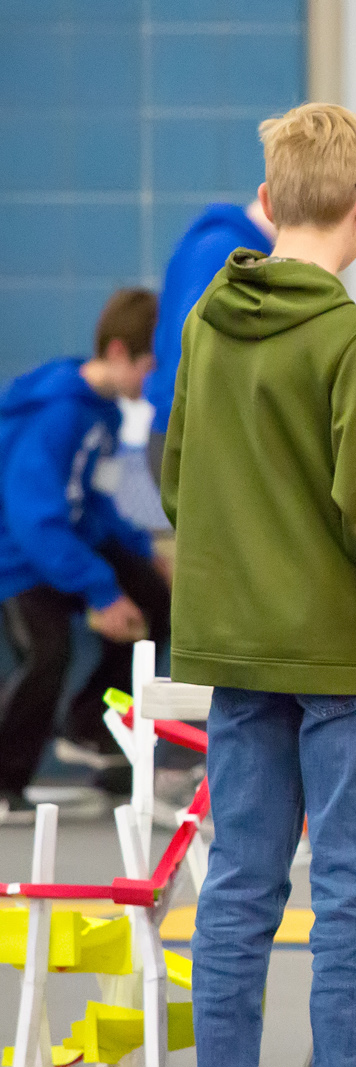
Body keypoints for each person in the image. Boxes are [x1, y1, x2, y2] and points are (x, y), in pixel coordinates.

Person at [162, 103, 356, 1067]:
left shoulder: (203, 328)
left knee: (239, 885)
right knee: (351, 892)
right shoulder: (354, 342)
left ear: (266, 203)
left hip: (235, 649)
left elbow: (179, 478)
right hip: (345, 659)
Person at [0, 288, 169, 822]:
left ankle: (88, 726)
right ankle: (6, 782)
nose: (150, 382)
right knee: (48, 654)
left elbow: (93, 500)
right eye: (147, 366)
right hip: (18, 560)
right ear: (118, 352)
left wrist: (141, 554)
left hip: (62, 546)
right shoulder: (58, 415)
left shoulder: (102, 414)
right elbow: (34, 518)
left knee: (153, 600)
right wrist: (100, 590)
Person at [145, 199, 275, 480]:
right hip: (191, 436)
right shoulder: (225, 252)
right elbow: (192, 346)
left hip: (181, 430)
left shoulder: (215, 244)